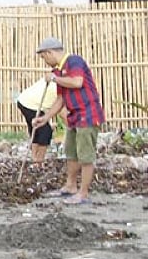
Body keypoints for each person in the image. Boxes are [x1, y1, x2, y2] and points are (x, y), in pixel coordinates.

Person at [32, 37, 105, 205]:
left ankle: (83, 193)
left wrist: (55, 79)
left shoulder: (74, 61)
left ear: (50, 52)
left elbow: (77, 82)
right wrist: (45, 118)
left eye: (44, 57)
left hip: (88, 114)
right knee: (71, 152)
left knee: (86, 155)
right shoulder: (58, 71)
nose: (45, 61)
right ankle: (70, 186)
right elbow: (60, 99)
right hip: (74, 115)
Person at [16, 77, 56, 164]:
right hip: (31, 104)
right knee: (45, 131)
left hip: (23, 100)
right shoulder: (58, 87)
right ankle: (39, 160)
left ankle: (34, 158)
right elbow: (63, 112)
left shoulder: (55, 77)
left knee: (35, 129)